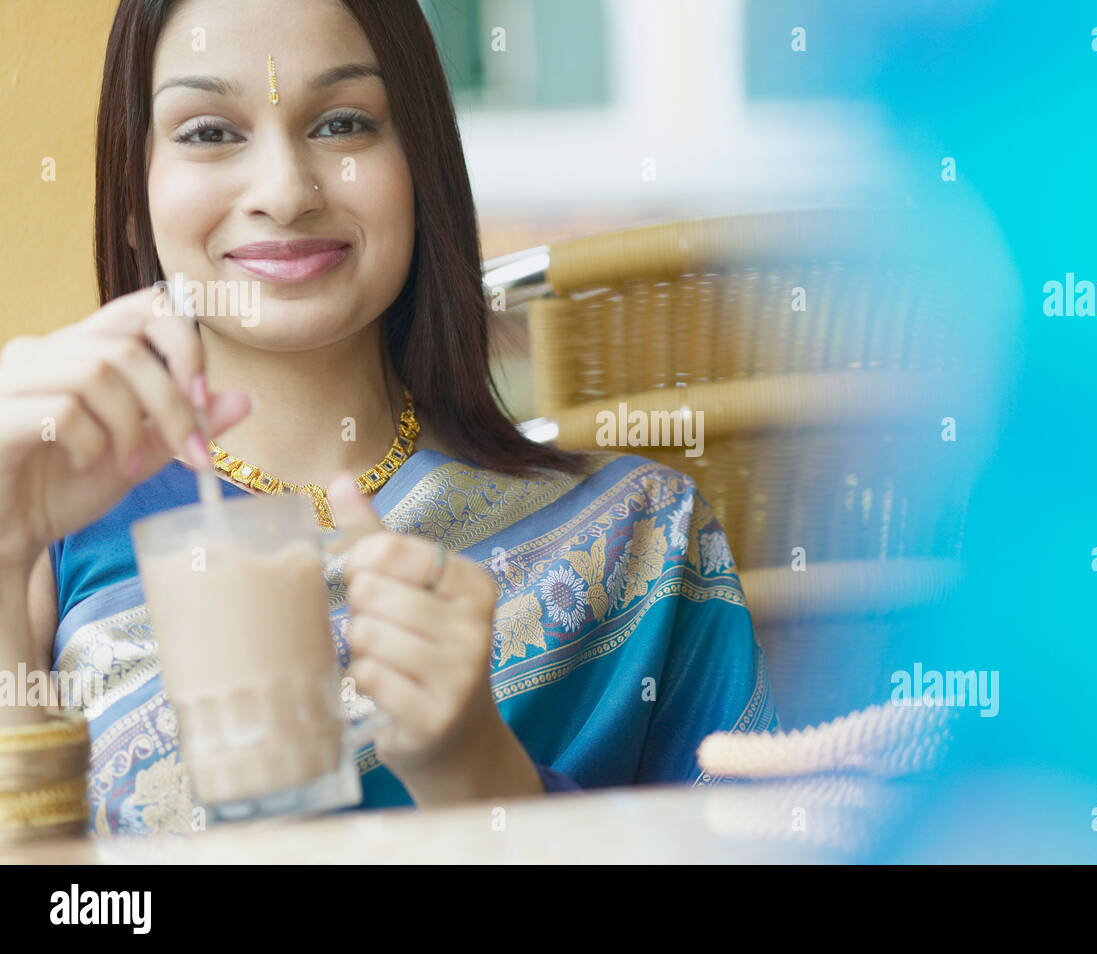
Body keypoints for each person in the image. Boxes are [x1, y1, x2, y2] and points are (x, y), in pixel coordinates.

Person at [0, 0, 777, 837]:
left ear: (423, 167)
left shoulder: (644, 537)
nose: (285, 193)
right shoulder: (48, 538)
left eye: (341, 123)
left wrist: (477, 773)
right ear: (133, 189)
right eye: (209, 132)